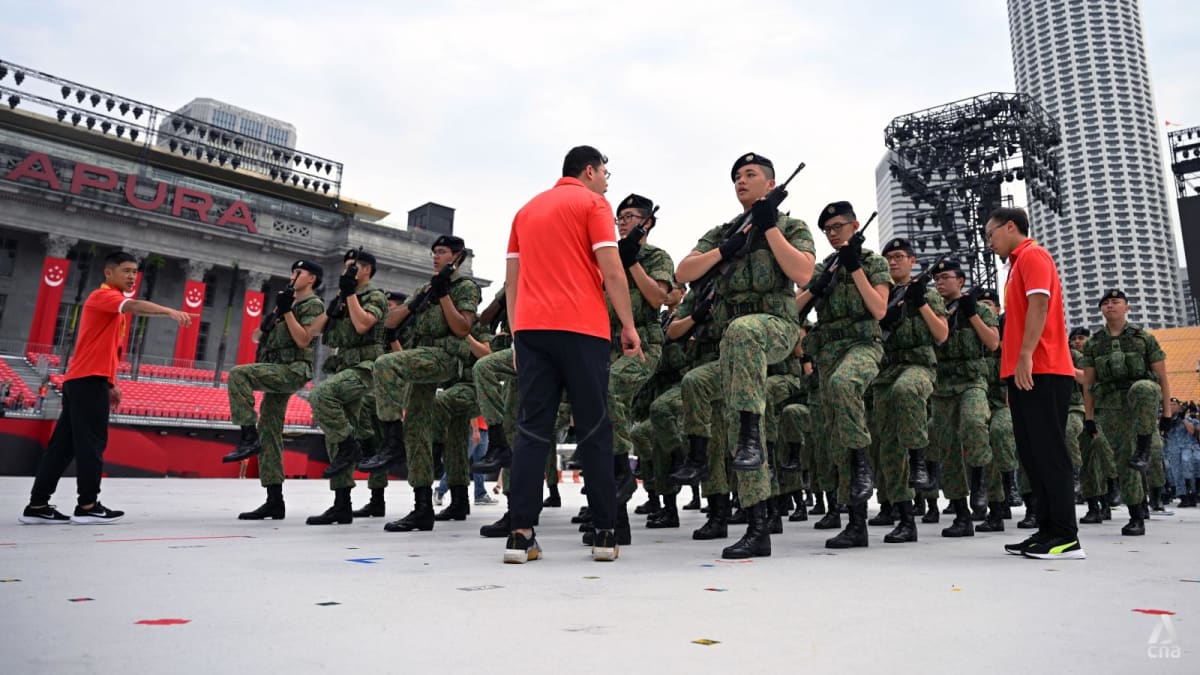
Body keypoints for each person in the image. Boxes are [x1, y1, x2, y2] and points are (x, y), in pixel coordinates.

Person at [502, 145, 642, 564]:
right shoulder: (593, 204)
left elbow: (513, 280)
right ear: (588, 170)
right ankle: (603, 532)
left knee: (531, 431)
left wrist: (515, 336)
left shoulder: (525, 211)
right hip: (582, 329)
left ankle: (520, 534)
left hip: (531, 330)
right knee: (595, 428)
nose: (606, 181)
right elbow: (613, 270)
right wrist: (629, 326)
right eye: (605, 173)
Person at [673, 153, 815, 559]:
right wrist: (725, 249)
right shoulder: (722, 231)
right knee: (698, 383)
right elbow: (684, 273)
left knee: (743, 336)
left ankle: (752, 433)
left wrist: (769, 228)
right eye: (736, 176)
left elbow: (804, 274)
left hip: (773, 327)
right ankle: (755, 522)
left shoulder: (790, 226)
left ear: (770, 184)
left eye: (750, 174)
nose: (741, 180)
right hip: (734, 345)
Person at [19, 251, 190, 525]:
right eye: (126, 270)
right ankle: (87, 505)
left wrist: (112, 383)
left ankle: (38, 504)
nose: (132, 275)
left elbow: (106, 351)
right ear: (108, 273)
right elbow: (133, 306)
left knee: (63, 447)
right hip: (87, 382)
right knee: (91, 444)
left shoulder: (112, 305)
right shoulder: (104, 297)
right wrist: (170, 311)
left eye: (135, 271)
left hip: (85, 380)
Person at [986, 207, 1084, 560]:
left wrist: (1026, 354)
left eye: (991, 233)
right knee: (1031, 454)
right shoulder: (1015, 266)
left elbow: (1039, 304)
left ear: (1010, 226)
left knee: (1049, 451)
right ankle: (1046, 530)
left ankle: (1066, 535)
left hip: (1043, 366)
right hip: (1024, 371)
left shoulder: (1033, 255)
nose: (989, 242)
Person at [795, 201, 889, 550]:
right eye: (828, 229)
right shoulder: (823, 268)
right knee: (837, 437)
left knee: (844, 384)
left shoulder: (873, 262)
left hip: (863, 344)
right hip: (829, 353)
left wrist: (854, 268)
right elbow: (794, 309)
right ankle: (856, 522)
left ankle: (864, 466)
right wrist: (817, 287)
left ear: (854, 225)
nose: (833, 233)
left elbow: (878, 308)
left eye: (839, 226)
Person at [374, 235, 480, 532]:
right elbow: (390, 322)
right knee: (417, 429)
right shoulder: (424, 288)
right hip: (423, 358)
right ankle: (422, 507)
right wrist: (418, 302)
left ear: (457, 257)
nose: (435, 256)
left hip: (445, 358)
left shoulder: (465, 287)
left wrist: (444, 295)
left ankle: (390, 437)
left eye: (442, 252)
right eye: (434, 252)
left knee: (386, 364)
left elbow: (462, 328)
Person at [222, 260, 325, 520]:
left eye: (298, 272)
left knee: (238, 374)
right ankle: (274, 500)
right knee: (269, 430)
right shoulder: (286, 305)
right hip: (276, 367)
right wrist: (272, 319)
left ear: (311, 278)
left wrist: (287, 312)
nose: (293, 276)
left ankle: (247, 435)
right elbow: (256, 337)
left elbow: (303, 339)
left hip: (292, 368)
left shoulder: (313, 305)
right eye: (292, 271)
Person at [867, 238, 948, 543]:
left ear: (912, 260)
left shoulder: (925, 294)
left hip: (918, 367)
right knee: (887, 446)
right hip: (885, 372)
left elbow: (941, 335)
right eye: (888, 257)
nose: (893, 261)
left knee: (906, 390)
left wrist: (921, 303)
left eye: (899, 256)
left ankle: (918, 460)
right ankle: (904, 518)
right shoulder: (880, 295)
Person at [304, 250, 388, 525]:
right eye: (345, 268)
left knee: (321, 395)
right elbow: (314, 334)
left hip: (366, 367)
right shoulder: (342, 297)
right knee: (335, 436)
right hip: (343, 366)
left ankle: (351, 446)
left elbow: (364, 325)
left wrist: (350, 295)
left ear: (367, 270)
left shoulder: (374, 296)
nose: (346, 272)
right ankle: (342, 503)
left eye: (352, 268)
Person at [1079, 288, 1172, 538]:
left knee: (1143, 388)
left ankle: (1144, 445)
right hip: (1110, 406)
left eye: (1116, 302)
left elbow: (1162, 376)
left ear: (1127, 308)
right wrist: (1089, 418)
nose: (1110, 306)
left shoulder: (1144, 338)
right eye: (1106, 303)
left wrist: (1167, 413)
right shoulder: (1094, 343)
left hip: (1140, 402)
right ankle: (1136, 516)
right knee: (1124, 460)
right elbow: (1088, 383)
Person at [925, 259, 999, 538]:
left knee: (974, 423)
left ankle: (979, 484)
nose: (940, 283)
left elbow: (993, 343)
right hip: (942, 386)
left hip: (972, 382)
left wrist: (972, 316)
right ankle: (960, 512)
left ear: (961, 280)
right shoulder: (932, 311)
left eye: (945, 277)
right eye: (937, 279)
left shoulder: (978, 309)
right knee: (947, 448)